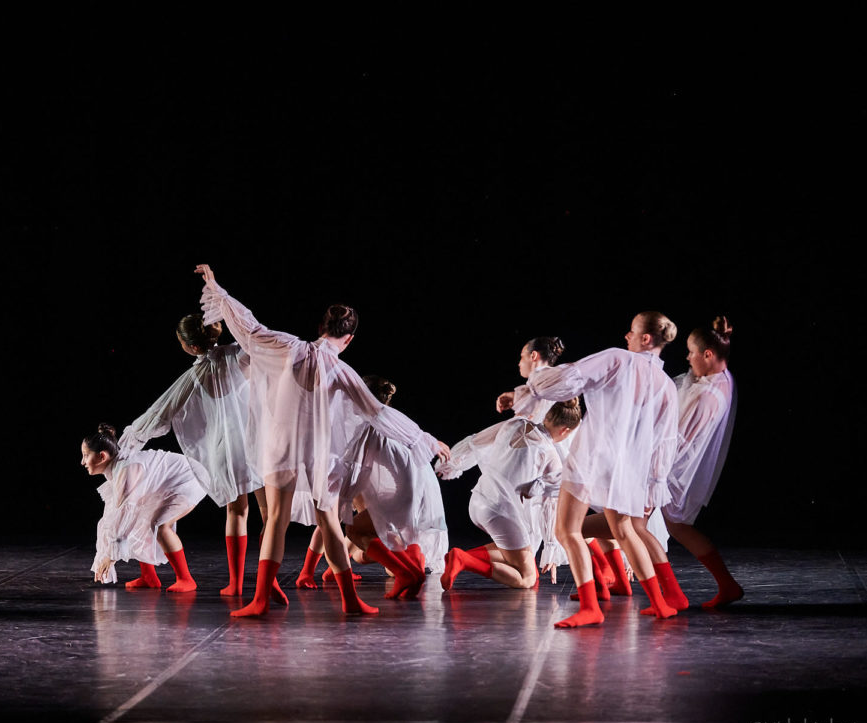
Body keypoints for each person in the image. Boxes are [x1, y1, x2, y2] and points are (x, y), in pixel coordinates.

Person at [196, 264, 449, 617]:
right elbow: (377, 413)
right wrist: (424, 438)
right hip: (317, 453)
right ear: (349, 339)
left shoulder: (288, 347)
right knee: (329, 521)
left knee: (275, 521)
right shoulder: (342, 370)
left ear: (320, 328)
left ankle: (259, 600)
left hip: (280, 447)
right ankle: (349, 600)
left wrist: (218, 290)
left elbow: (249, 329)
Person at [525, 312, 680, 627]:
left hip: (591, 460)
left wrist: (538, 374)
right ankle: (661, 603)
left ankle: (590, 607)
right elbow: (665, 440)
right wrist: (655, 483)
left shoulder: (618, 359)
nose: (627, 336)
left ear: (646, 338)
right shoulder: (665, 384)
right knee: (625, 531)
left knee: (566, 530)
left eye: (632, 331)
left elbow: (568, 381)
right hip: (626, 469)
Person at [119, 314, 273, 597]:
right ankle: (268, 578)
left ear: (188, 346)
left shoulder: (194, 376)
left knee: (237, 512)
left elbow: (158, 413)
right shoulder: (238, 355)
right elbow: (260, 340)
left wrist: (127, 444)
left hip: (226, 451)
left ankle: (237, 585)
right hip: (259, 443)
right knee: (269, 514)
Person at [638, 317, 741, 608]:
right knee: (675, 527)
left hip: (672, 469)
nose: (687, 358)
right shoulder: (718, 376)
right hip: (674, 467)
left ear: (708, 355)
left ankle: (668, 594)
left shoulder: (707, 396)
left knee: (634, 526)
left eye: (691, 352)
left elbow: (677, 442)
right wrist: (723, 337)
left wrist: (653, 476)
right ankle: (727, 585)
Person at [437, 399, 581, 590]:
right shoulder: (551, 457)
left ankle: (463, 558)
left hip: (477, 500)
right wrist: (550, 547)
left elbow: (477, 441)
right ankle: (464, 560)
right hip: (499, 510)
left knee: (521, 553)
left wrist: (451, 464)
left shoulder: (515, 423)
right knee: (528, 578)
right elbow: (548, 506)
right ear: (565, 431)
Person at [339, 376, 450, 599]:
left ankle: (405, 572)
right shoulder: (395, 420)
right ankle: (411, 570)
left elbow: (353, 466)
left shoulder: (369, 425)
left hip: (406, 495)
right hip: (420, 492)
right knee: (386, 540)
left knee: (353, 530)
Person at [84, 424, 207, 592]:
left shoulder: (127, 471)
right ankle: (149, 577)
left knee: (160, 525)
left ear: (102, 456)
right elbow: (112, 517)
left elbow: (124, 516)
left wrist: (111, 556)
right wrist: (105, 553)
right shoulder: (118, 468)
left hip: (190, 478)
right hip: (168, 483)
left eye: (86, 455)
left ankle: (186, 579)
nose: (82, 461)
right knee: (140, 520)